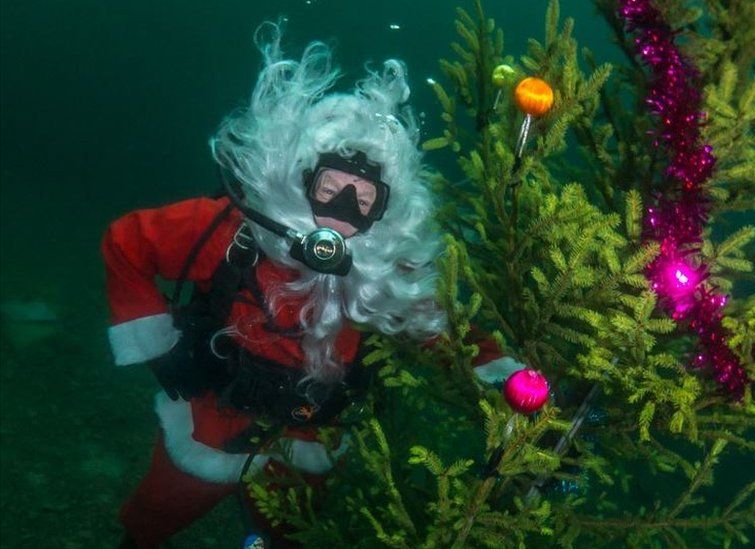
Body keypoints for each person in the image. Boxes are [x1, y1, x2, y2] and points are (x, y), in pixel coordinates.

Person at [102, 22, 522, 548]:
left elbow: (443, 333)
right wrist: (161, 352)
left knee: (291, 535)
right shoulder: (233, 230)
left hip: (310, 440)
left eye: (362, 199)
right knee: (151, 519)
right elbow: (126, 243)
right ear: (302, 180)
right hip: (209, 420)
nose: (343, 210)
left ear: (385, 210)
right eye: (331, 188)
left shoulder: (384, 273)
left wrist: (512, 380)